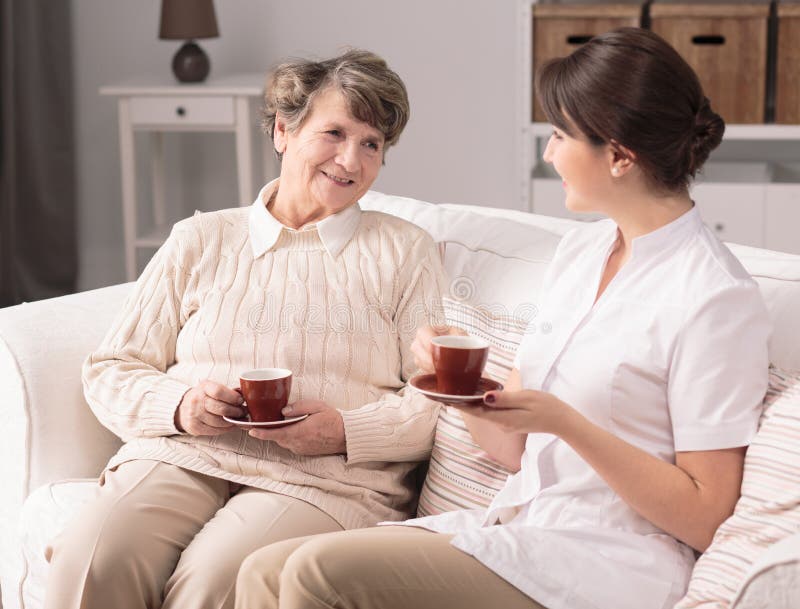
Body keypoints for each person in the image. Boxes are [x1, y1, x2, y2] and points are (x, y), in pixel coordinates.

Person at [233, 28, 772, 609]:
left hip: (610, 562)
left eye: (561, 134)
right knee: (263, 570)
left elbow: (707, 515)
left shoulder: (715, 298)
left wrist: (569, 424)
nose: (548, 152)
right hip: (521, 527)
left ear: (619, 156)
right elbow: (512, 450)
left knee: (314, 570)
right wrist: (453, 386)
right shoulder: (582, 255)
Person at [44, 49, 447, 609]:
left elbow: (435, 400)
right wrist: (182, 406)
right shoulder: (201, 239)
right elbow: (112, 367)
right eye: (334, 132)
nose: (351, 160)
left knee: (215, 581)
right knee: (94, 556)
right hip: (185, 452)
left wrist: (343, 432)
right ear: (284, 129)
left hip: (324, 480)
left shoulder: (406, 251)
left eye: (371, 143)